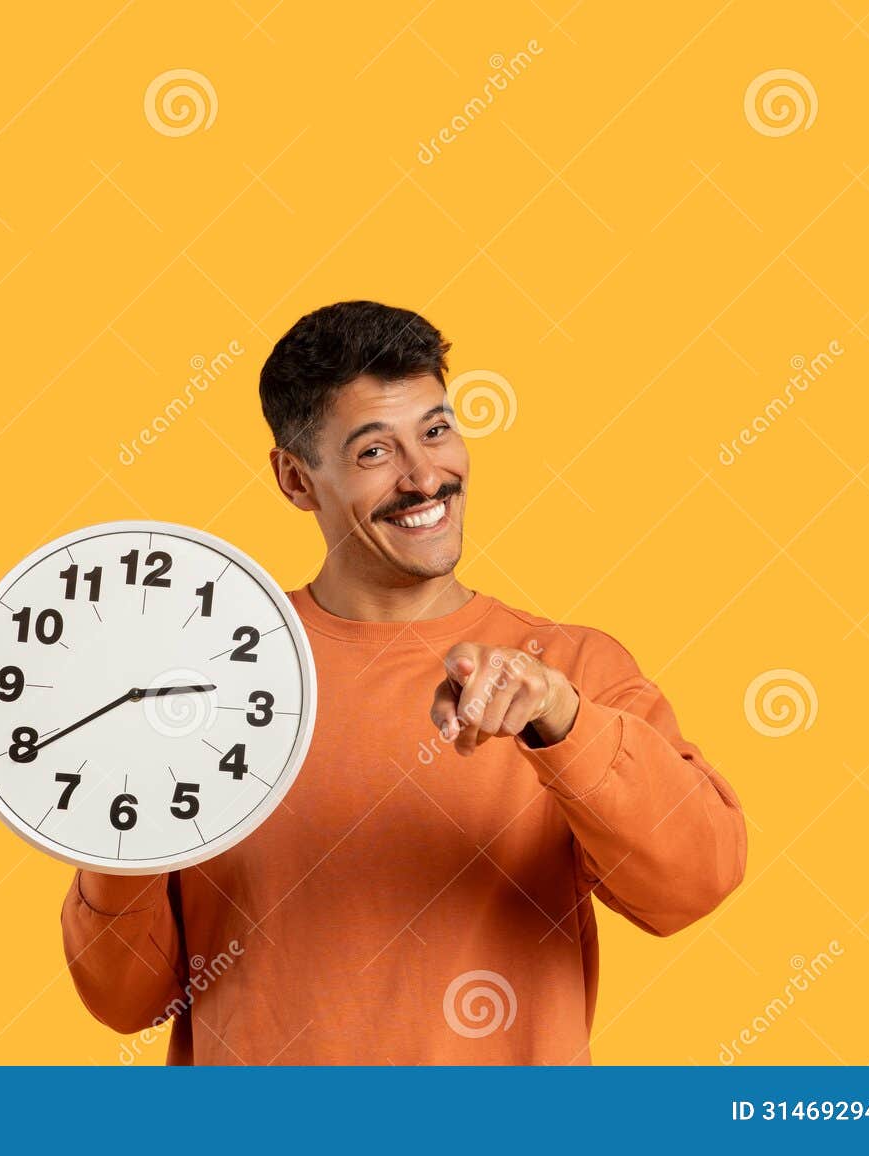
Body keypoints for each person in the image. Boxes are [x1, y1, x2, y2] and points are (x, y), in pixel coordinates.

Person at [61, 300, 747, 1064]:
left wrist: (560, 718)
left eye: (437, 429)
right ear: (296, 479)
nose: (426, 477)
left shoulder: (570, 670)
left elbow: (696, 882)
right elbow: (124, 1000)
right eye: (373, 453)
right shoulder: (206, 681)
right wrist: (121, 817)